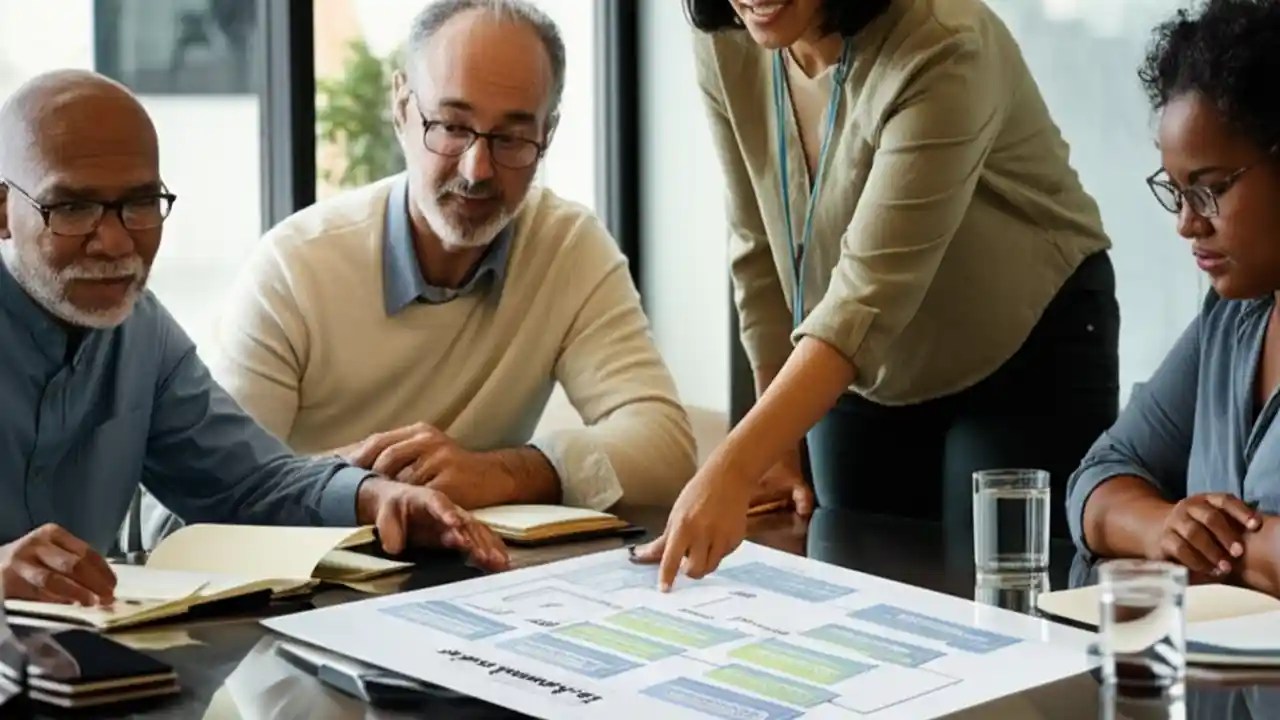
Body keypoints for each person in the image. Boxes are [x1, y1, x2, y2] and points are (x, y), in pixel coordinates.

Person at [137, 0, 695, 544]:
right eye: (451, 126)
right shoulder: (298, 267)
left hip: (466, 587)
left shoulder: (567, 247)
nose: (477, 170)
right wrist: (356, 490)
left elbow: (666, 447)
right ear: (402, 107)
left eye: (510, 139)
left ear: (546, 133)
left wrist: (499, 473)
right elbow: (190, 510)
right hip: (298, 597)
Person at [636, 0, 1121, 588]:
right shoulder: (730, 36)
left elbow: (866, 295)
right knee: (854, 585)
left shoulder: (945, 42)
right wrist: (774, 448)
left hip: (1021, 346)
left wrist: (732, 466)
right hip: (852, 353)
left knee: (992, 600)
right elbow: (757, 244)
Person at [0, 69, 507, 606]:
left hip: (83, 672)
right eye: (72, 208)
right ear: (3, 213)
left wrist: (377, 497)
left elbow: (247, 483)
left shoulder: (141, 331)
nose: (114, 241)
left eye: (141, 203)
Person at [1067, 0, 1280, 594]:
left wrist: (1216, 549)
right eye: (1177, 192)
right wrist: (1164, 526)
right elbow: (1100, 475)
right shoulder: (1232, 319)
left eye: (1209, 191)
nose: (1187, 223)